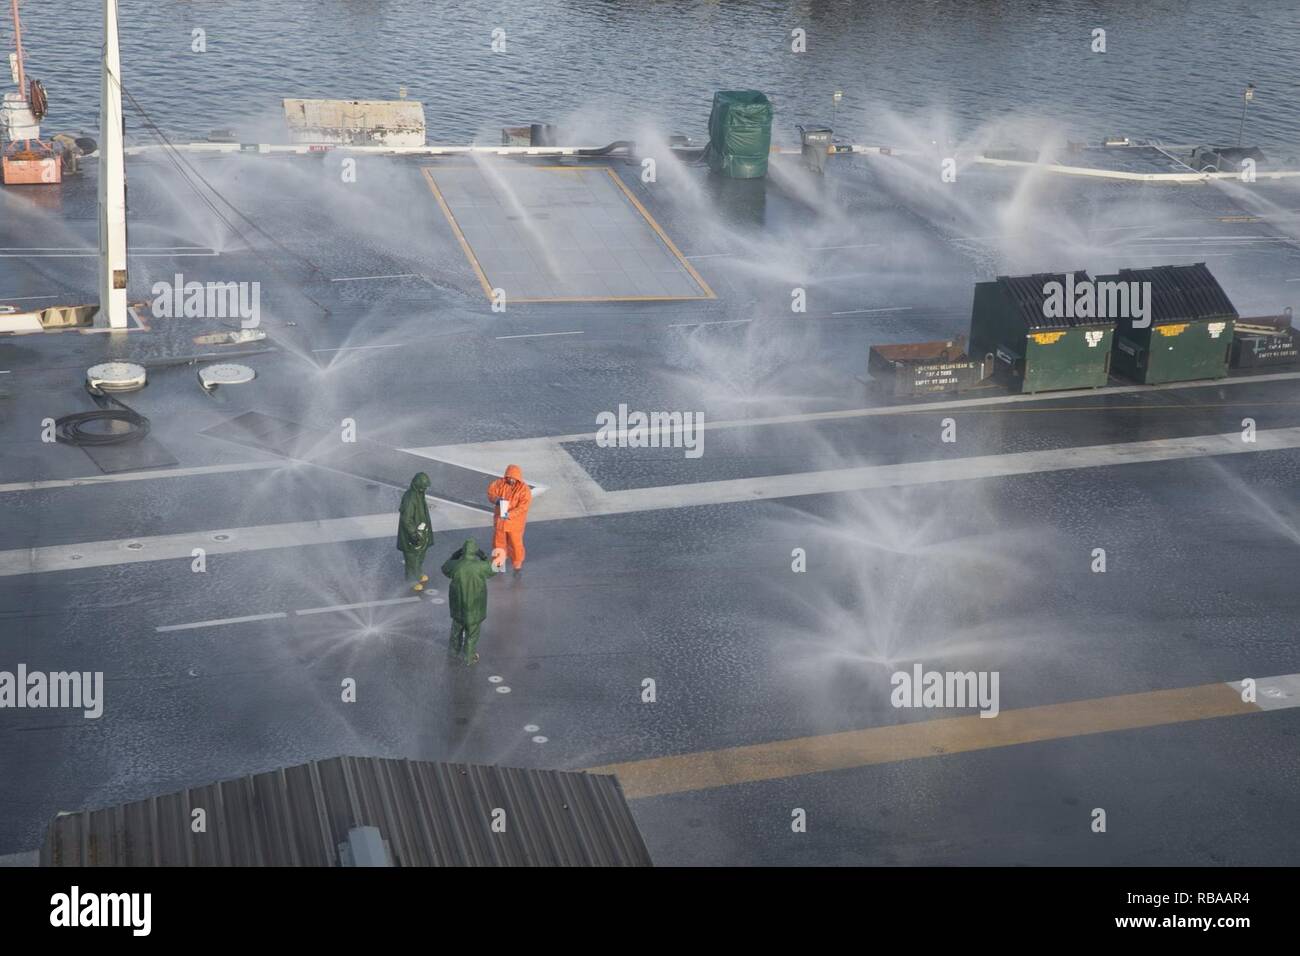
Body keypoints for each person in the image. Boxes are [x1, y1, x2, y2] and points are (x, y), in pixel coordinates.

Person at [441, 536, 494, 665]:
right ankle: (469, 658)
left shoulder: (456, 566)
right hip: (475, 608)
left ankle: (453, 652)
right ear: (474, 551)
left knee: (456, 630)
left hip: (458, 607)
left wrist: (455, 555)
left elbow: (445, 568)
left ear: (463, 551)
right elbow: (494, 569)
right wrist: (484, 557)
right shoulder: (481, 567)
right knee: (472, 634)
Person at [486, 464, 531, 576]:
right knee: (498, 542)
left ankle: (517, 564)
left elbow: (523, 507)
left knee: (515, 544)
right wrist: (496, 499)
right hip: (501, 521)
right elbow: (490, 492)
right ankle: (498, 562)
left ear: (517, 478)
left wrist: (510, 514)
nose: (511, 479)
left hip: (514, 523)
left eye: (513, 478)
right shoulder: (499, 484)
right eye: (509, 477)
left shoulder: (524, 490)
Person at [397, 472, 433, 592]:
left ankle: (418, 573)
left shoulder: (419, 494)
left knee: (420, 556)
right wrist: (413, 534)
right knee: (411, 559)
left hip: (421, 533)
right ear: (418, 485)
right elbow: (406, 519)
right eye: (424, 486)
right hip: (411, 536)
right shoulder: (410, 498)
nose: (425, 489)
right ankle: (411, 580)